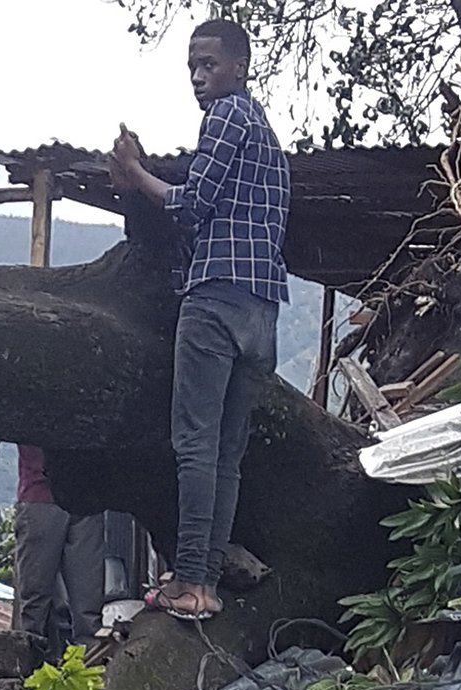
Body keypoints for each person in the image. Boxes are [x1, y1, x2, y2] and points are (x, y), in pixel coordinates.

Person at [109, 18, 289, 620]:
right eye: (192, 67)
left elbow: (192, 204)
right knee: (226, 454)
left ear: (240, 67)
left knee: (194, 445)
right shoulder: (265, 134)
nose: (198, 77)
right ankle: (206, 582)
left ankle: (188, 580)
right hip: (263, 310)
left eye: (209, 64)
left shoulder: (226, 116)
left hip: (215, 302)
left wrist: (135, 174)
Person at [0, 439, 104, 647]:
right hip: (43, 497)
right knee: (33, 601)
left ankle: (91, 659)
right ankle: (26, 660)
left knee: (88, 602)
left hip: (87, 499)